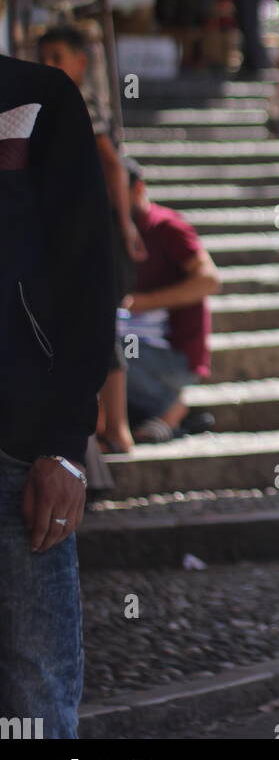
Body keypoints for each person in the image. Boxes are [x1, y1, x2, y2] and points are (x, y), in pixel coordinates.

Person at [0, 51, 115, 738]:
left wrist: (66, 446)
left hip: (19, 453)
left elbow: (87, 277)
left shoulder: (38, 97)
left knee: (35, 696)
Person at [38, 24, 146, 454]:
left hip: (92, 231)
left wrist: (125, 226)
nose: (48, 66)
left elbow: (113, 166)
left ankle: (115, 427)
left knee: (101, 325)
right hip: (77, 229)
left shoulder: (76, 103)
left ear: (81, 63)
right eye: (43, 58)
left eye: (57, 58)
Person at [119, 161, 221, 442]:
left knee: (109, 351)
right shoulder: (115, 227)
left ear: (137, 188)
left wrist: (143, 302)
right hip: (140, 345)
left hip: (173, 355)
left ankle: (170, 409)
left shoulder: (166, 226)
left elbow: (209, 280)